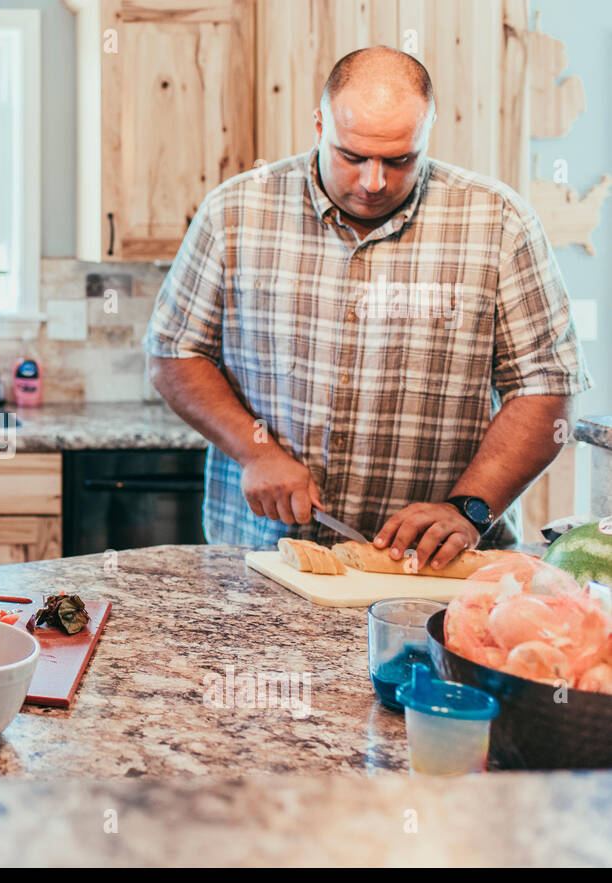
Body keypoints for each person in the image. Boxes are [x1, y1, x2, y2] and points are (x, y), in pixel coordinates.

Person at [145, 46, 592, 572]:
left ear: (428, 130)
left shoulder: (500, 223)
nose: (373, 182)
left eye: (399, 159)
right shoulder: (235, 212)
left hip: (433, 569)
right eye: (352, 155)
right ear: (319, 123)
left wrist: (467, 507)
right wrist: (255, 452)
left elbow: (545, 386)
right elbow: (175, 353)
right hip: (263, 556)